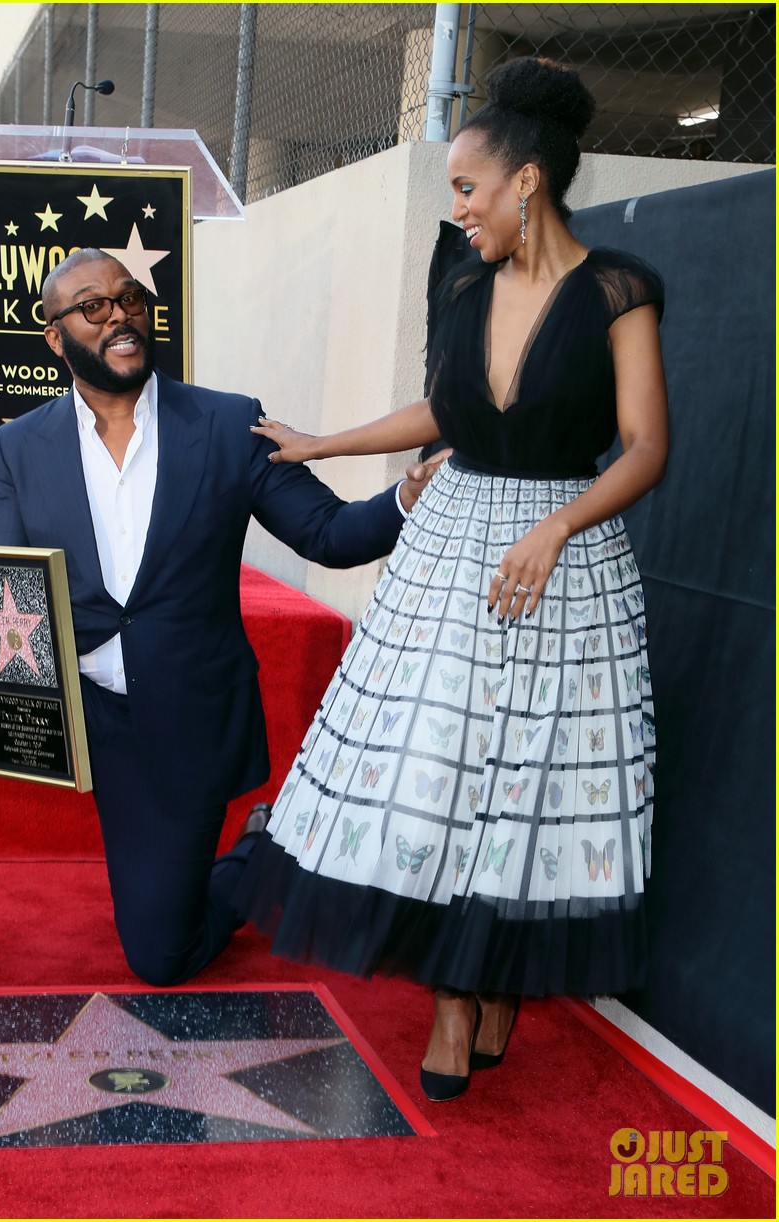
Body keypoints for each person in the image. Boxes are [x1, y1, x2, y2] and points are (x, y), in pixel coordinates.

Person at [0, 248, 440, 1025]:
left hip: (172, 717)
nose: (119, 317)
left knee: (162, 960)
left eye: (128, 299)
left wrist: (406, 494)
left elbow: (330, 533)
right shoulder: (19, 445)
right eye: (93, 307)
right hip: (60, 695)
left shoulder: (224, 422)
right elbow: (4, 574)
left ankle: (262, 848)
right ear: (55, 336)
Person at [235, 56, 669, 1102]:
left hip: (560, 560)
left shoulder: (618, 288)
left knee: (529, 777)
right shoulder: (464, 278)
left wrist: (556, 526)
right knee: (437, 764)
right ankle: (448, 1000)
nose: (459, 209)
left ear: (527, 181)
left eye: (468, 189)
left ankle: (493, 975)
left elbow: (644, 446)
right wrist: (320, 443)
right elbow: (442, 410)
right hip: (453, 546)